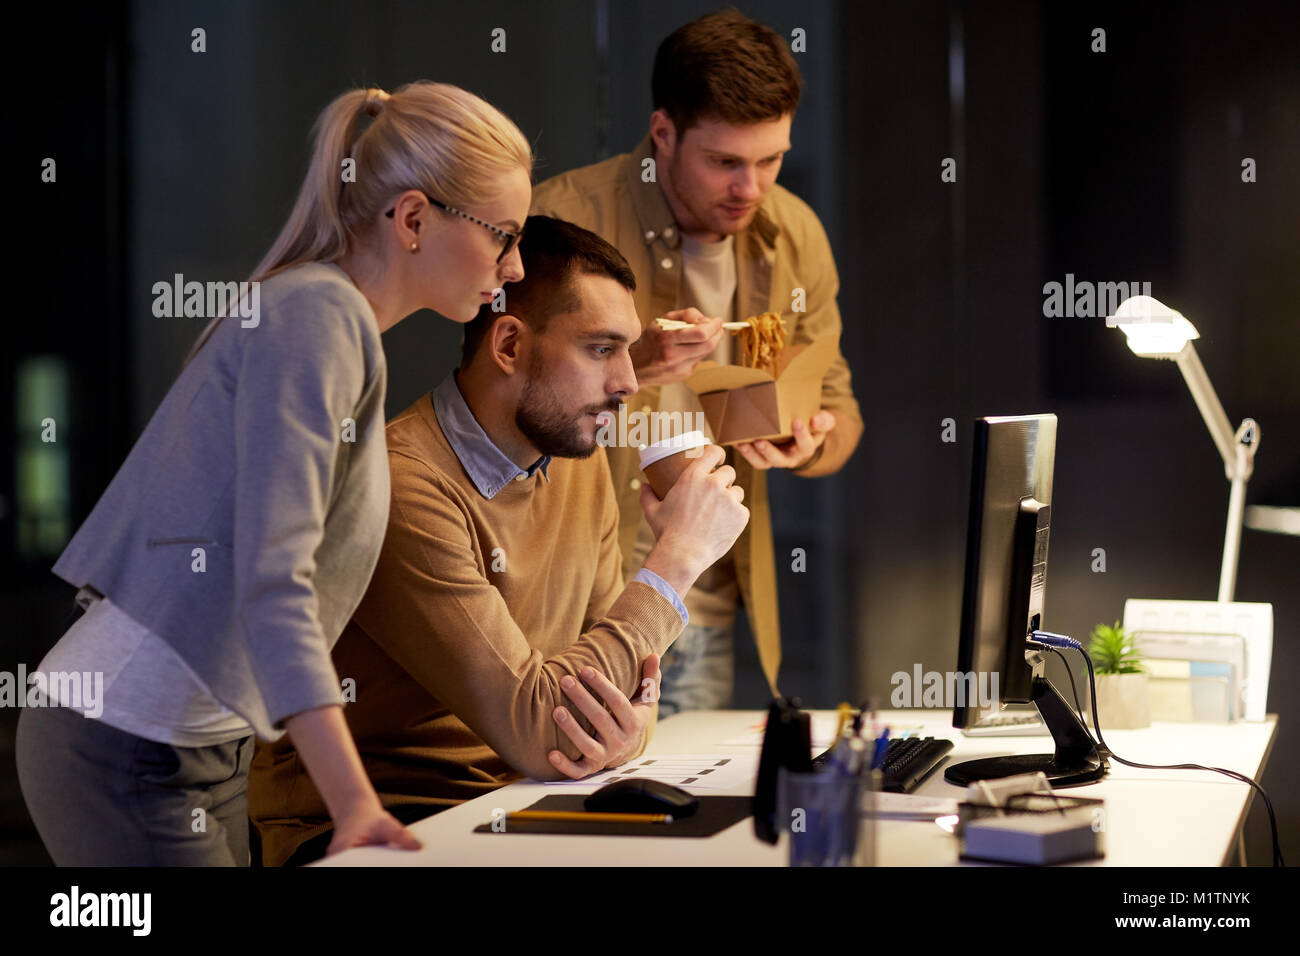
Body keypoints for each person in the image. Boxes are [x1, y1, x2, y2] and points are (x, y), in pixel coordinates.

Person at [15, 81, 533, 865]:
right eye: (505, 235)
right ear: (415, 219)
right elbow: (272, 579)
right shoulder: (318, 318)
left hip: (200, 746)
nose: (516, 266)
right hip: (128, 743)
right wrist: (352, 802)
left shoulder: (327, 316)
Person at [249, 215, 749, 866]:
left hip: (527, 795)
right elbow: (541, 723)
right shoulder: (402, 485)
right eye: (601, 349)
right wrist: (677, 559)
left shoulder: (578, 459)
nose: (628, 380)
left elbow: (617, 673)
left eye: (628, 350)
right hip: (386, 827)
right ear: (509, 346)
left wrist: (626, 733)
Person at [531, 10, 863, 713]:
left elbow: (840, 405)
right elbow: (505, 408)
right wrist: (632, 361)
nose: (752, 187)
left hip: (704, 602)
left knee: (678, 805)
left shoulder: (793, 234)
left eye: (770, 159)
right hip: (582, 599)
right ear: (663, 134)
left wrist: (809, 440)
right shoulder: (563, 221)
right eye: (725, 163)